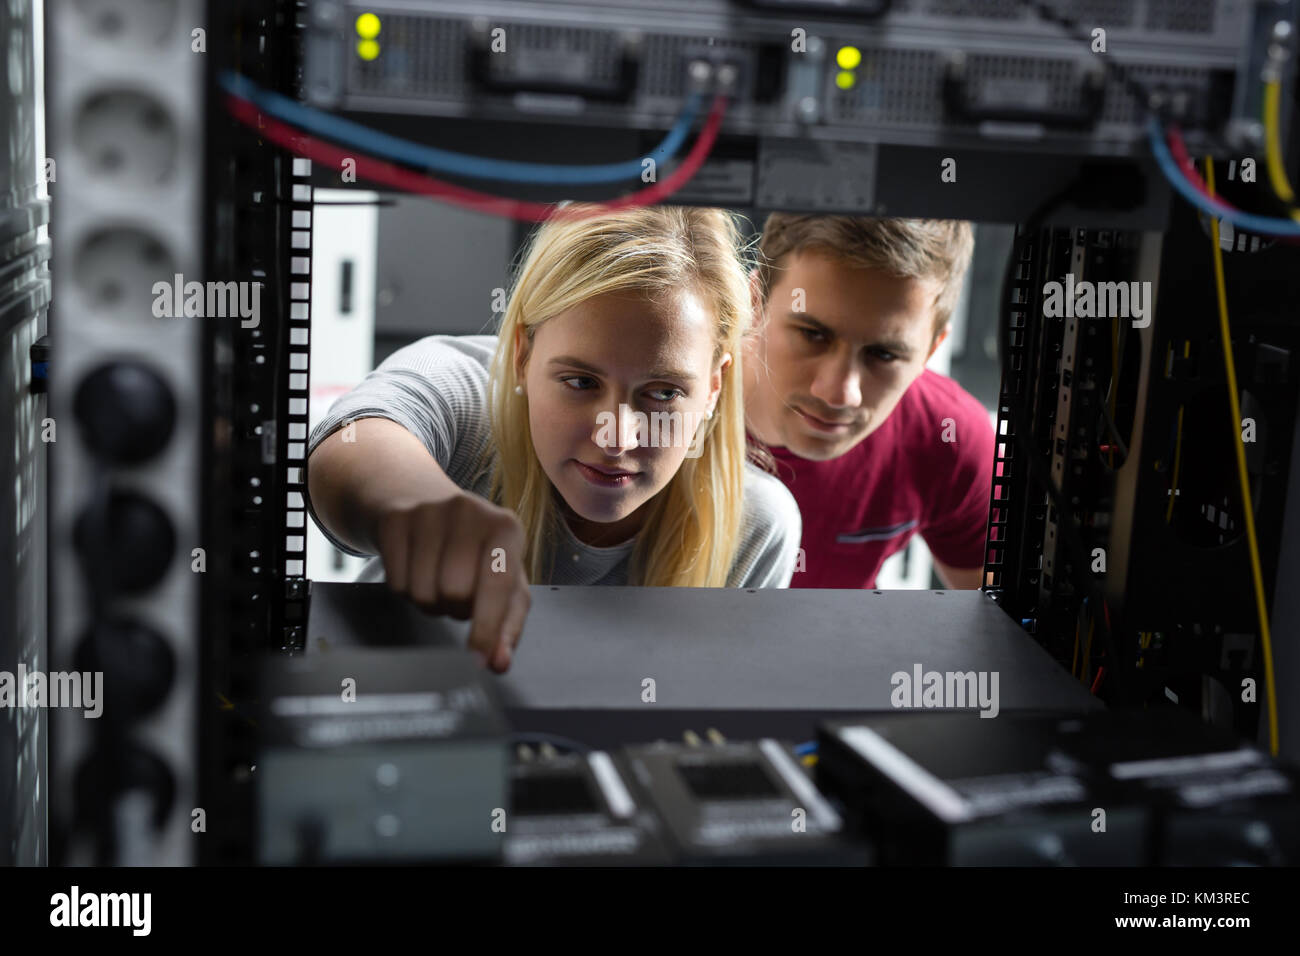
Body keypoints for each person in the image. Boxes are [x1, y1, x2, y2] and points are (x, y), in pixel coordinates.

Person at [307, 205, 802, 674]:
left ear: (715, 384)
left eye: (663, 393)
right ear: (522, 352)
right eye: (581, 383)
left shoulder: (753, 527)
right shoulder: (466, 395)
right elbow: (353, 440)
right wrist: (421, 508)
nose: (615, 437)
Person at [743, 214, 993, 590]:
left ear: (932, 349)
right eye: (812, 335)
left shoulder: (948, 437)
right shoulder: (665, 411)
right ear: (754, 301)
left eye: (884, 355)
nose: (840, 394)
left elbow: (1001, 627)